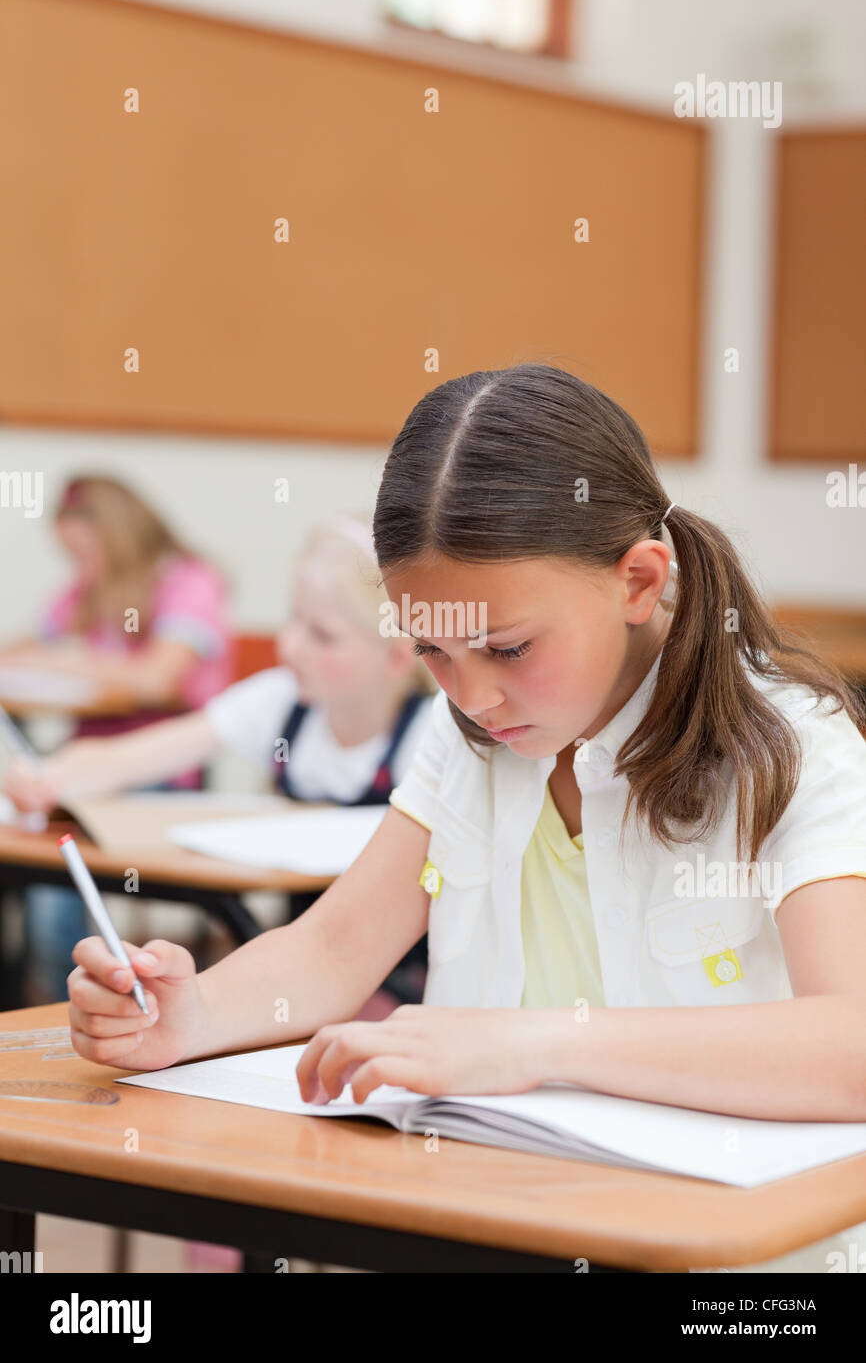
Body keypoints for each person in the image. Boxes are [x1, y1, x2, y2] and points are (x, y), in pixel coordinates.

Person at [63, 365, 866, 1272]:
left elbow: (851, 1046)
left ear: (639, 581)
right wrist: (192, 1012)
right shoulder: (476, 739)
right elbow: (332, 953)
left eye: (510, 648)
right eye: (434, 652)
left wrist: (533, 1044)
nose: (472, 694)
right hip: (504, 1228)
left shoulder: (792, 745)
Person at [4, 512, 435, 1007]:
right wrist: (52, 776)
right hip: (306, 967)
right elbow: (144, 753)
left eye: (323, 635)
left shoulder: (427, 734)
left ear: (399, 657)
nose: (290, 645)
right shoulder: (281, 702)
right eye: (293, 619)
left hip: (404, 980)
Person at [0, 475, 232, 1001]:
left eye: (84, 551)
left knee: (55, 860)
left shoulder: (188, 583)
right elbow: (31, 645)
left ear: (116, 534)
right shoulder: (83, 594)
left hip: (156, 778)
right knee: (25, 840)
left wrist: (72, 658)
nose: (78, 567)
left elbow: (156, 676)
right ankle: (28, 994)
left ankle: (61, 998)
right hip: (78, 777)